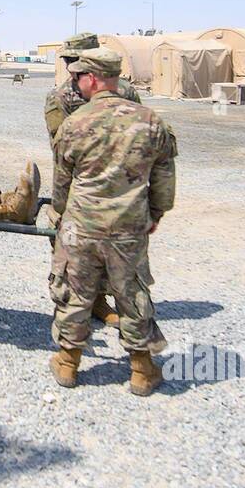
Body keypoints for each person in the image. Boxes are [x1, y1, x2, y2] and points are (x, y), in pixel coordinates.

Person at [48, 47, 177, 396]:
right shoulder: (150, 120)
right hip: (128, 227)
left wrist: (61, 216)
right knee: (132, 294)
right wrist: (156, 214)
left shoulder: (75, 123)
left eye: (78, 77)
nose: (75, 84)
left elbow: (62, 184)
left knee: (76, 293)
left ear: (91, 79)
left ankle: (68, 364)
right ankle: (141, 370)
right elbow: (164, 177)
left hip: (82, 227)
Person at [43, 32, 145, 328]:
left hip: (119, 185)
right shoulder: (60, 98)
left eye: (75, 60)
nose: (72, 66)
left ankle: (118, 301)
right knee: (72, 247)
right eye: (70, 60)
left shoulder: (124, 91)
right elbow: (61, 151)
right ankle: (83, 304)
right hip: (82, 185)